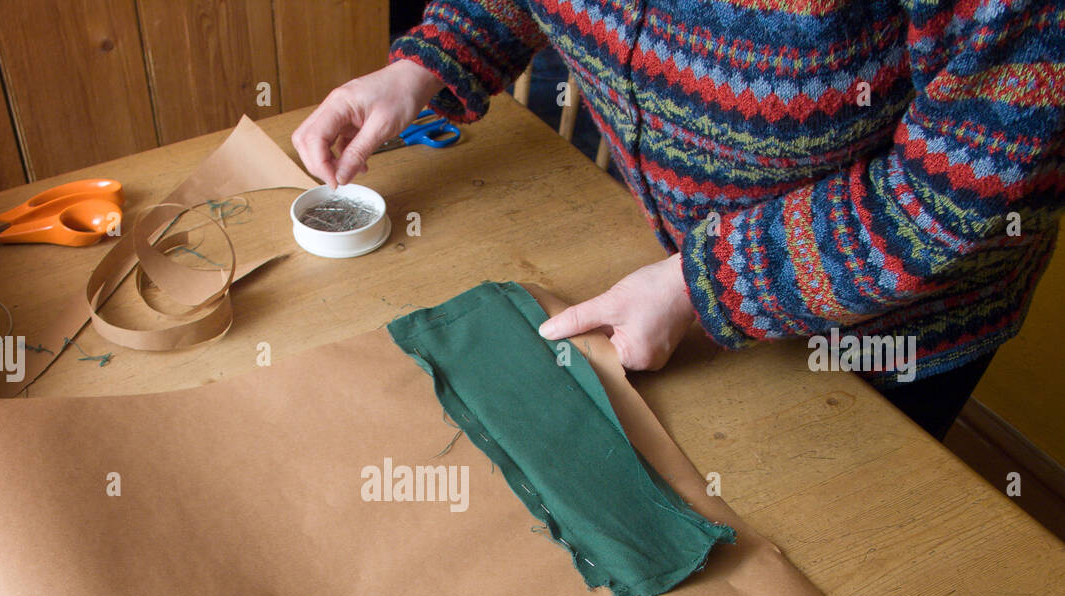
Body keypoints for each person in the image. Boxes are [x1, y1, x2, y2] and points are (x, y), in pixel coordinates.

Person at [292, 1, 1065, 439]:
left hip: (896, 327)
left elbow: (953, 197)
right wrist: (427, 61)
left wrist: (702, 284)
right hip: (671, 276)